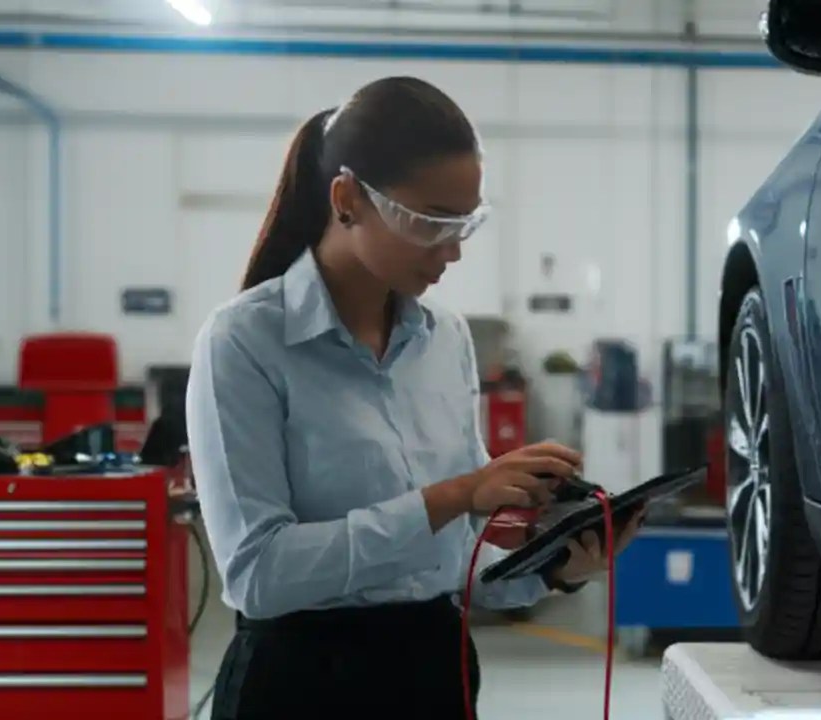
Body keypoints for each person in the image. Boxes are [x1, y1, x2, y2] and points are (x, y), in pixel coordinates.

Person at [186, 76, 643, 720]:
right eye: (431, 222)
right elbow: (257, 577)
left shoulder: (445, 340)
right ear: (347, 199)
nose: (453, 251)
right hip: (300, 686)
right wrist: (454, 495)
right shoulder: (246, 342)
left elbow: (449, 565)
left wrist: (554, 568)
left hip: (435, 672)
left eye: (466, 224)